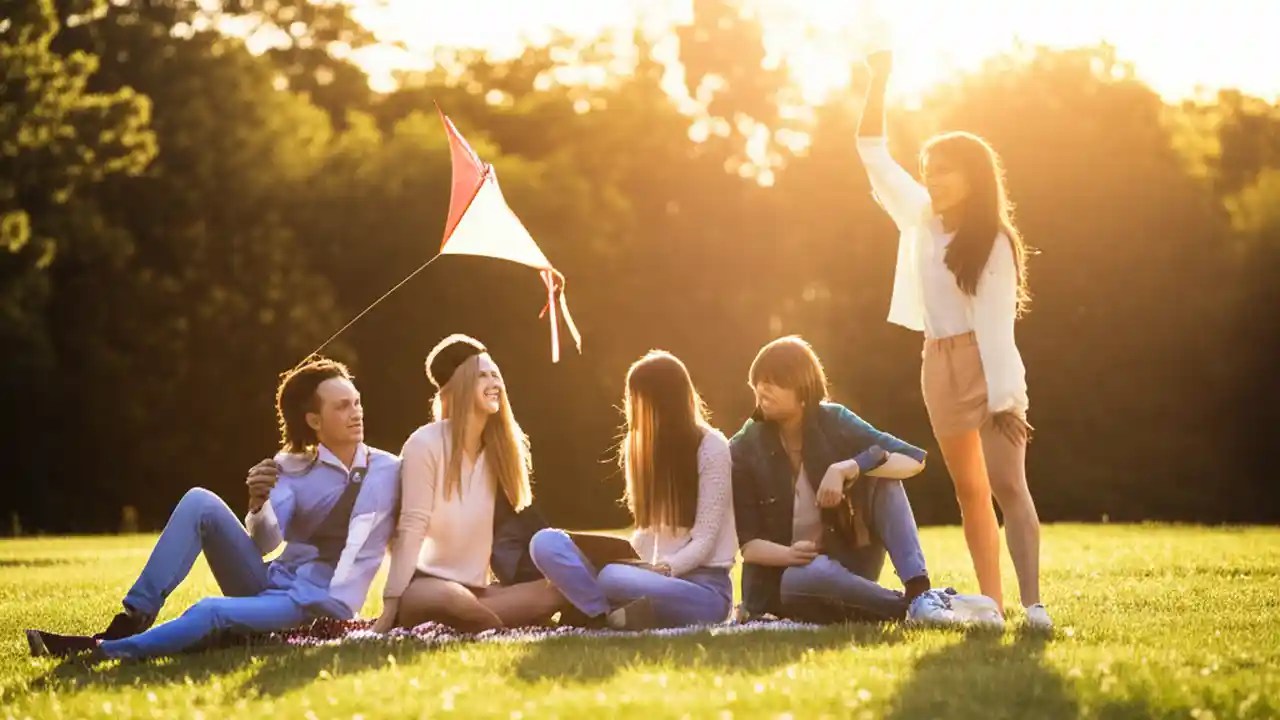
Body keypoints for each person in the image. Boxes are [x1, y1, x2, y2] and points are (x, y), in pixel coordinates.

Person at [855, 50, 1050, 629]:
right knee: (970, 493)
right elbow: (871, 153)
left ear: (975, 177)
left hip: (987, 365)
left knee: (1009, 487)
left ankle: (1034, 605)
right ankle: (991, 605)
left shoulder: (993, 242)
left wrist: (1006, 400)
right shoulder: (920, 219)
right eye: (928, 168)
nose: (932, 179)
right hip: (937, 362)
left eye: (944, 170)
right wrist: (879, 79)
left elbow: (997, 328)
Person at [26, 358, 401, 658]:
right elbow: (264, 543)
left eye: (356, 402)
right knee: (199, 500)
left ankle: (104, 651)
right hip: (269, 581)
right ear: (314, 420)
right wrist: (259, 503)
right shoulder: (290, 466)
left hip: (309, 606)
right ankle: (132, 618)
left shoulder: (389, 470)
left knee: (210, 610)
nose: (356, 413)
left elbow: (416, 527)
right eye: (342, 406)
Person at [731, 336, 995, 626]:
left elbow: (912, 459)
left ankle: (919, 591)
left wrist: (850, 467)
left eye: (774, 381)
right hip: (788, 580)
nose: (762, 389)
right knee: (808, 573)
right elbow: (750, 546)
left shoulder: (833, 421)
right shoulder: (745, 447)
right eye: (758, 381)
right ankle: (914, 608)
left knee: (882, 475)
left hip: (846, 564)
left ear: (804, 390)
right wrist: (791, 554)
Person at [529, 350, 738, 630]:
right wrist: (611, 555)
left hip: (702, 591)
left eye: (637, 399)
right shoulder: (639, 448)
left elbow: (704, 541)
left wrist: (663, 569)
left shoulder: (712, 446)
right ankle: (604, 616)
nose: (630, 406)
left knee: (613, 579)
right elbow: (645, 533)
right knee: (544, 543)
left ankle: (597, 607)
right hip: (647, 579)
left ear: (664, 402)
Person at [373, 335, 562, 633]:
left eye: (495, 374)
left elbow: (525, 528)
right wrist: (391, 605)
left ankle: (487, 620)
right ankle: (494, 625)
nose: (494, 383)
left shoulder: (499, 453)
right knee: (452, 599)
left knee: (557, 589)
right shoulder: (425, 443)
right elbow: (412, 525)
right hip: (424, 587)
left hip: (478, 591)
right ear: (460, 386)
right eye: (482, 375)